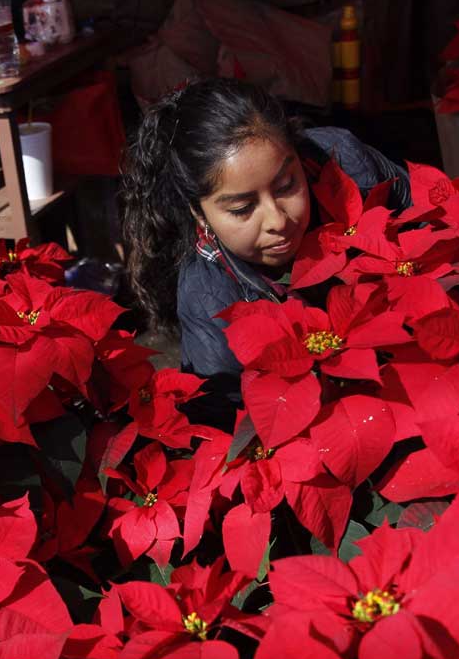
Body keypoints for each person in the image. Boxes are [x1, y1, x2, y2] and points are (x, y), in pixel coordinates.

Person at [119, 78, 410, 421]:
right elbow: (222, 420)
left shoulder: (345, 162)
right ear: (199, 212)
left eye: (286, 185)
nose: (277, 220)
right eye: (242, 209)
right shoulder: (208, 299)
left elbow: (429, 225)